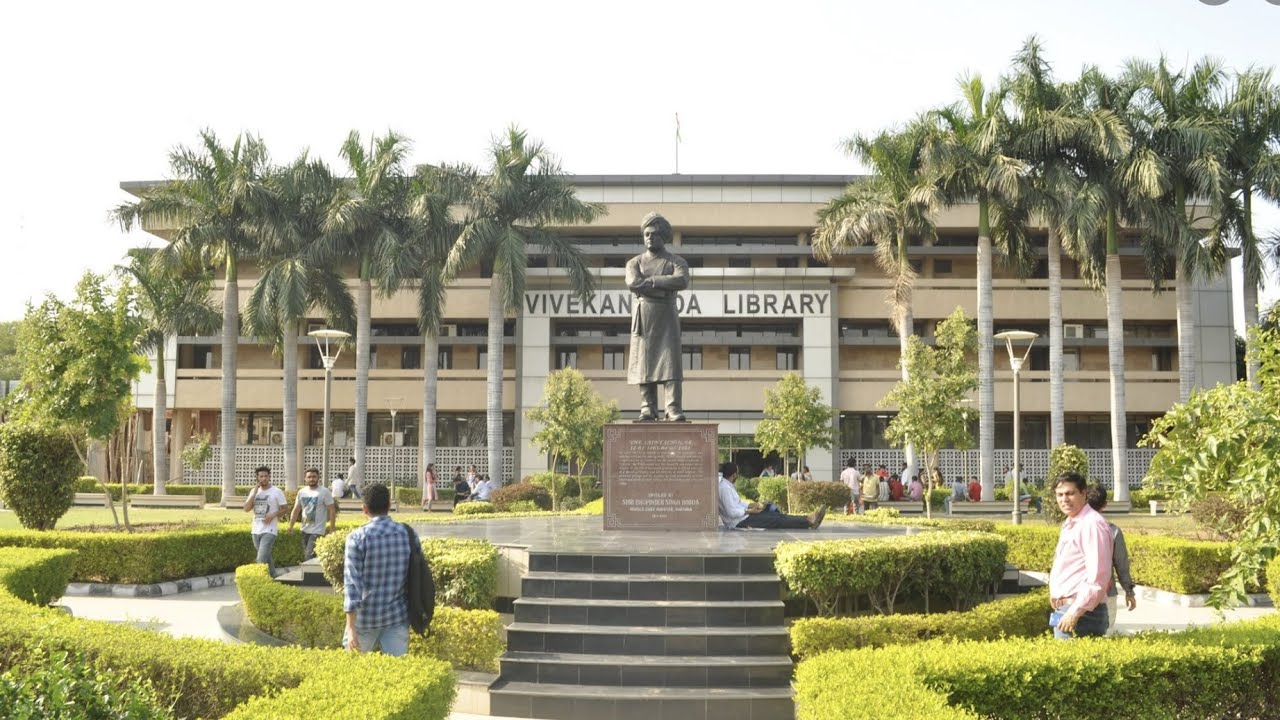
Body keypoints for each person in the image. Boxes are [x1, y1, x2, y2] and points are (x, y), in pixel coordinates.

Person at [626, 212, 690, 422]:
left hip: (667, 318)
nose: (649, 238)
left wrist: (651, 282)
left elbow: (681, 281)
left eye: (653, 234)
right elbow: (633, 283)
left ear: (663, 236)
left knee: (671, 363)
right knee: (645, 363)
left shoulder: (677, 261)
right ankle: (648, 408)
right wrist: (663, 286)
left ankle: (672, 408)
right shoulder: (634, 263)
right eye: (646, 234)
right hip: (644, 318)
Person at [343, 484, 411, 655]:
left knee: (353, 671)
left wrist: (350, 628)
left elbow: (352, 585)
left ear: (364, 509)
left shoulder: (357, 538)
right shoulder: (407, 533)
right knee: (399, 672)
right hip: (397, 616)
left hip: (365, 618)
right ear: (389, 506)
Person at [1048, 472, 1114, 639]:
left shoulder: (1092, 524)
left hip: (1082, 613)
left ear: (1083, 493)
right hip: (1068, 609)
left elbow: (1098, 576)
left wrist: (1074, 612)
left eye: (1070, 493)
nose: (1064, 499)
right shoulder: (1072, 523)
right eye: (1060, 494)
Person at [1087, 486, 1137, 633]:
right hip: (1106, 593)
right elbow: (1122, 565)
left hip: (1077, 594)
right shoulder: (1113, 530)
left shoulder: (1071, 528)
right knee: (1105, 636)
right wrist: (1129, 592)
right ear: (1105, 504)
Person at [717, 462, 825, 530]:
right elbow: (731, 512)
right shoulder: (724, 488)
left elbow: (738, 504)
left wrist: (755, 505)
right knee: (776, 520)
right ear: (734, 474)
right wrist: (750, 511)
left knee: (775, 515)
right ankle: (809, 521)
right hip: (739, 522)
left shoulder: (728, 486)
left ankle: (808, 519)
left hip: (745, 517)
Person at [243, 466, 287, 578]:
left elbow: (285, 509)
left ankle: (258, 580)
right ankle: (274, 576)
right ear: (257, 478)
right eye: (261, 476)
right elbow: (246, 509)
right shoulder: (254, 491)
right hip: (256, 529)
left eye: (266, 476)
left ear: (269, 477)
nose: (264, 478)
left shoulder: (277, 491)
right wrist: (254, 493)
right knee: (266, 556)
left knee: (261, 558)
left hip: (270, 530)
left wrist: (273, 514)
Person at [288, 467, 336, 561]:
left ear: (318, 478)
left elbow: (332, 510)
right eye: (309, 477)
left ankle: (308, 575)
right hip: (304, 529)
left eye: (314, 477)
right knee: (311, 557)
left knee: (308, 556)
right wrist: (291, 526)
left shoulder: (324, 491)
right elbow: (296, 509)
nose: (311, 479)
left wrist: (332, 528)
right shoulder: (302, 492)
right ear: (305, 479)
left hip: (317, 531)